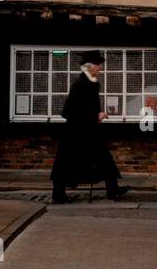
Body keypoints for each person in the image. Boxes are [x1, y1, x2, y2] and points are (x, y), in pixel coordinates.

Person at [51, 50, 130, 205]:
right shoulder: (80, 84)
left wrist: (97, 113)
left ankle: (113, 190)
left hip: (89, 130)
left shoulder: (92, 83)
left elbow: (88, 107)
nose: (100, 68)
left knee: (104, 158)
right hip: (75, 132)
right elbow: (68, 112)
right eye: (98, 65)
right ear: (89, 67)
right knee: (66, 163)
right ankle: (58, 194)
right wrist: (95, 116)